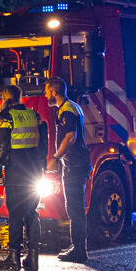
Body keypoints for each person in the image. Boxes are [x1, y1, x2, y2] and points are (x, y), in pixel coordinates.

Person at [0, 86, 45, 271]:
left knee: (15, 213)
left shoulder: (7, 117)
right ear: (20, 97)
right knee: (32, 212)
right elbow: (43, 143)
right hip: (34, 172)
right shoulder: (34, 115)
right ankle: (33, 257)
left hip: (16, 171)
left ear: (5, 97)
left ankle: (14, 257)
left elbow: (2, 146)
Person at [46, 77, 90, 261]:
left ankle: (79, 250)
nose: (45, 94)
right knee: (75, 207)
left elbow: (70, 137)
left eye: (47, 91)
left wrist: (56, 157)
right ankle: (78, 247)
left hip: (74, 165)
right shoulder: (72, 106)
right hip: (77, 163)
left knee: (74, 208)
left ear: (55, 92)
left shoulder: (67, 111)